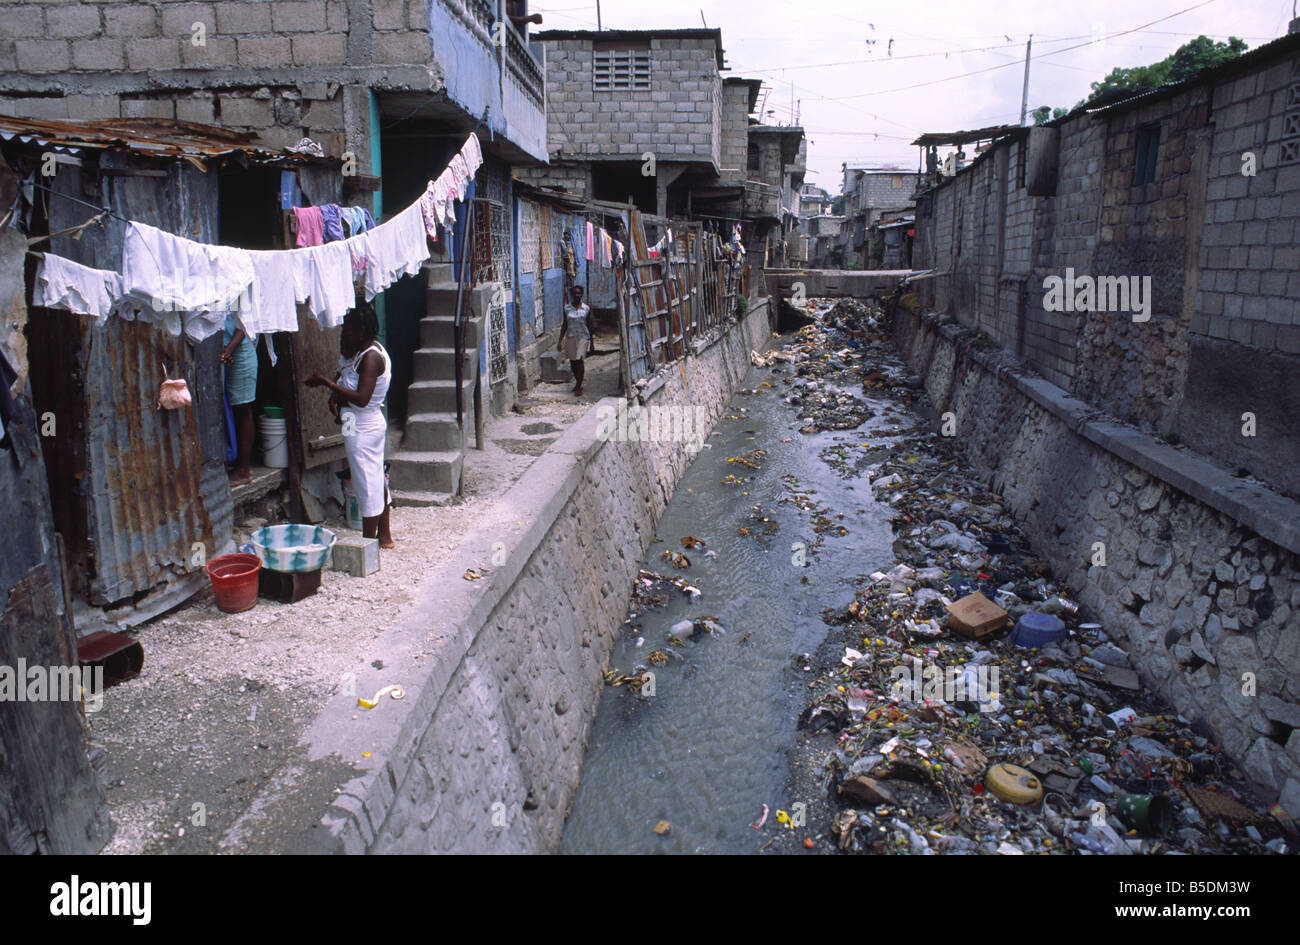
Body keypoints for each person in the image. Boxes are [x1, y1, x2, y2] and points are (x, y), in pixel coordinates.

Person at [307, 300, 394, 548]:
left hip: (363, 426)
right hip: (353, 423)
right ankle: (384, 537)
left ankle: (367, 545)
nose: (344, 333)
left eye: (348, 329)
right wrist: (337, 399)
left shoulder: (371, 358)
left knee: (366, 485)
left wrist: (327, 384)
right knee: (375, 478)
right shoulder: (362, 353)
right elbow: (349, 384)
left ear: (361, 331)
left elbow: (363, 399)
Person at [221, 314, 257, 486]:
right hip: (227, 351)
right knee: (233, 410)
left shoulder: (239, 289)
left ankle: (243, 469)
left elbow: (244, 323)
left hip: (239, 352)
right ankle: (237, 464)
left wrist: (229, 349)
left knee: (243, 410)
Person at [558, 285, 593, 396]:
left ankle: (578, 385)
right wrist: (559, 341)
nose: (577, 295)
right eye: (575, 293)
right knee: (573, 361)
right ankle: (577, 382)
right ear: (572, 295)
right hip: (571, 337)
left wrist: (592, 343)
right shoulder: (567, 308)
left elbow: (589, 325)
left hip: (583, 337)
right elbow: (565, 325)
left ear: (582, 294)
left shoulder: (586, 308)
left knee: (579, 360)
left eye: (579, 293)